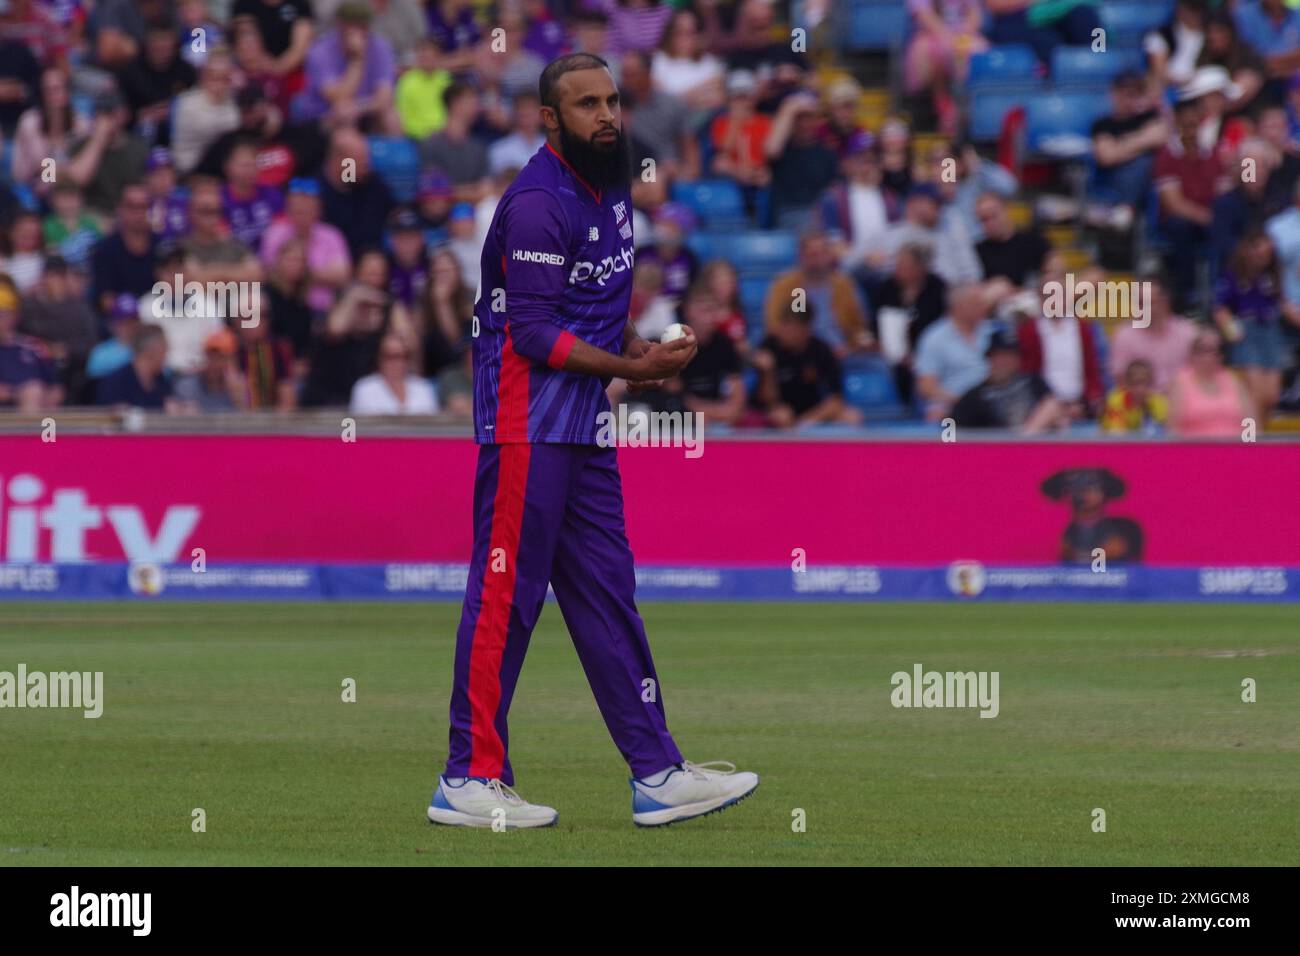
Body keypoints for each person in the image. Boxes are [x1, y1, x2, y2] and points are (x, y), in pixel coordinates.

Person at [429, 53, 759, 830]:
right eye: (586, 105)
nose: (607, 116)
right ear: (549, 119)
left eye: (612, 100)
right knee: (506, 595)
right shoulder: (538, 201)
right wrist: (632, 370)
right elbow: (538, 332)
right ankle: (467, 777)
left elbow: (594, 300)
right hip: (525, 421)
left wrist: (641, 349)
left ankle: (657, 773)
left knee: (608, 594)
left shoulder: (610, 179)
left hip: (582, 419)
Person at [752, 299, 862, 427]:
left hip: (811, 411)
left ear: (806, 329)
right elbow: (769, 402)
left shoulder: (821, 350)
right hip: (779, 409)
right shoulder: (769, 346)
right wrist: (768, 372)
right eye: (784, 324)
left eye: (792, 327)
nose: (784, 331)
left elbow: (836, 398)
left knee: (852, 416)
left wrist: (807, 421)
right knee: (782, 416)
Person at [951, 328, 1063, 433]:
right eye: (1001, 356)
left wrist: (1028, 434)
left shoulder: (1033, 382)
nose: (1006, 362)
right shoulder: (974, 398)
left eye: (1011, 356)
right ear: (990, 358)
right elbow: (956, 432)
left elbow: (1053, 406)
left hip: (1037, 446)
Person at [1168, 327, 1254, 437]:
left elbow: (1251, 421)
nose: (1207, 357)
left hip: (1235, 449)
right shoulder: (1180, 382)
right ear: (1192, 354)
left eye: (1214, 351)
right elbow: (1173, 428)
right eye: (1201, 350)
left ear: (1221, 356)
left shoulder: (1234, 380)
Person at [95, 322, 178, 412]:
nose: (166, 357)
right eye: (164, 352)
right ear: (151, 352)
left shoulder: (161, 380)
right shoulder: (116, 382)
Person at [349, 332, 438, 414]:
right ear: (379, 359)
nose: (396, 362)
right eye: (390, 356)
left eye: (401, 356)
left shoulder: (423, 388)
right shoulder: (364, 389)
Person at [1101, 358, 1169, 433]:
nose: (1140, 389)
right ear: (1126, 384)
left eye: (1145, 383)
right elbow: (1116, 435)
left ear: (1151, 384)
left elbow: (1166, 432)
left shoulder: (1158, 402)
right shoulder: (1115, 401)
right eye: (1135, 383)